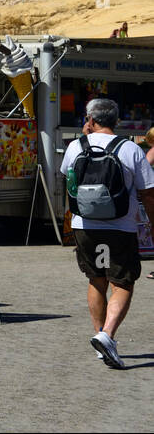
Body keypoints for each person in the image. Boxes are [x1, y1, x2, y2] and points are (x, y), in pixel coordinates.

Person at [60, 98, 154, 369]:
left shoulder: (75, 146)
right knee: (122, 283)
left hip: (85, 226)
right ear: (117, 120)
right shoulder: (130, 149)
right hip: (120, 227)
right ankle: (106, 335)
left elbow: (68, 181)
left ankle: (101, 341)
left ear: (90, 120)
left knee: (96, 279)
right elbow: (148, 193)